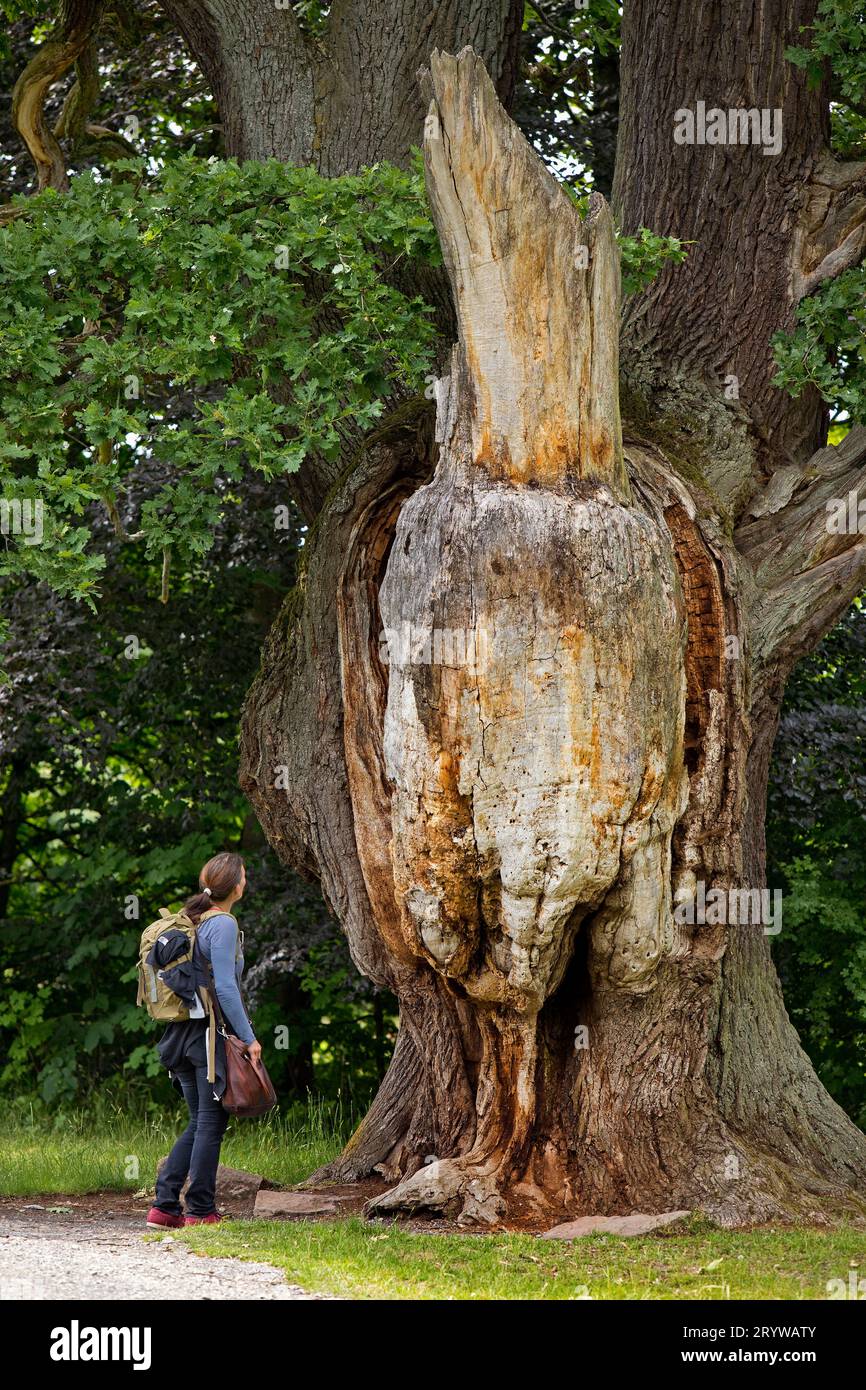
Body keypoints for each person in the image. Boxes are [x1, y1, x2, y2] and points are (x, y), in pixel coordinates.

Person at [146, 851, 260, 1228]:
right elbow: (226, 989)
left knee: (200, 1121)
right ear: (236, 886)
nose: (246, 880)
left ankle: (165, 1206)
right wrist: (249, 1038)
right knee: (210, 1123)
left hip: (180, 1034)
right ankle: (200, 1211)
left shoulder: (192, 919)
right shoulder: (223, 924)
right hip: (207, 1037)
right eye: (244, 875)